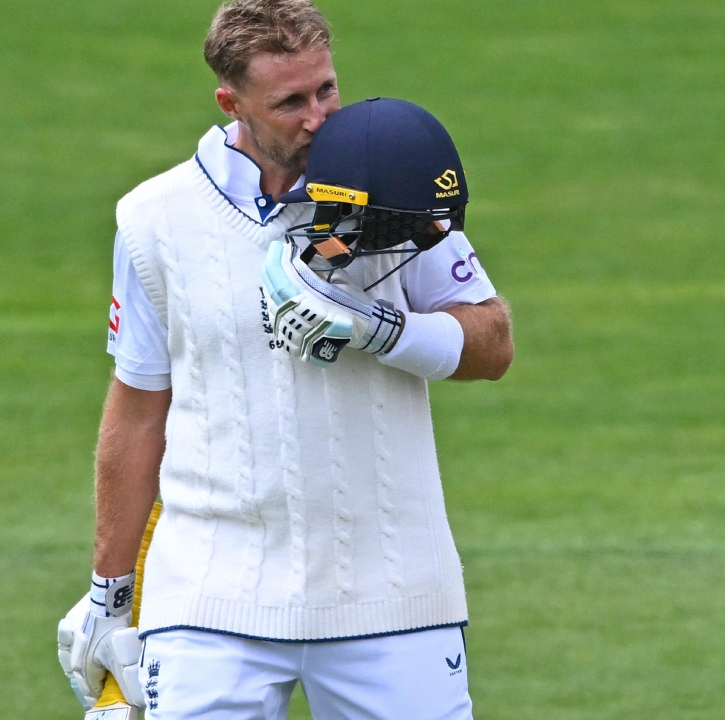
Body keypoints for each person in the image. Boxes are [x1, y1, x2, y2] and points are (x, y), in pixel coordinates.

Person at [57, 2, 513, 719]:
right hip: (210, 598)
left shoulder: (395, 186)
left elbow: (492, 344)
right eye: (290, 102)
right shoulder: (154, 218)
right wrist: (110, 594)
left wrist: (380, 330)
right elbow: (140, 409)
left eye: (326, 89)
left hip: (392, 595)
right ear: (231, 103)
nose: (318, 119)